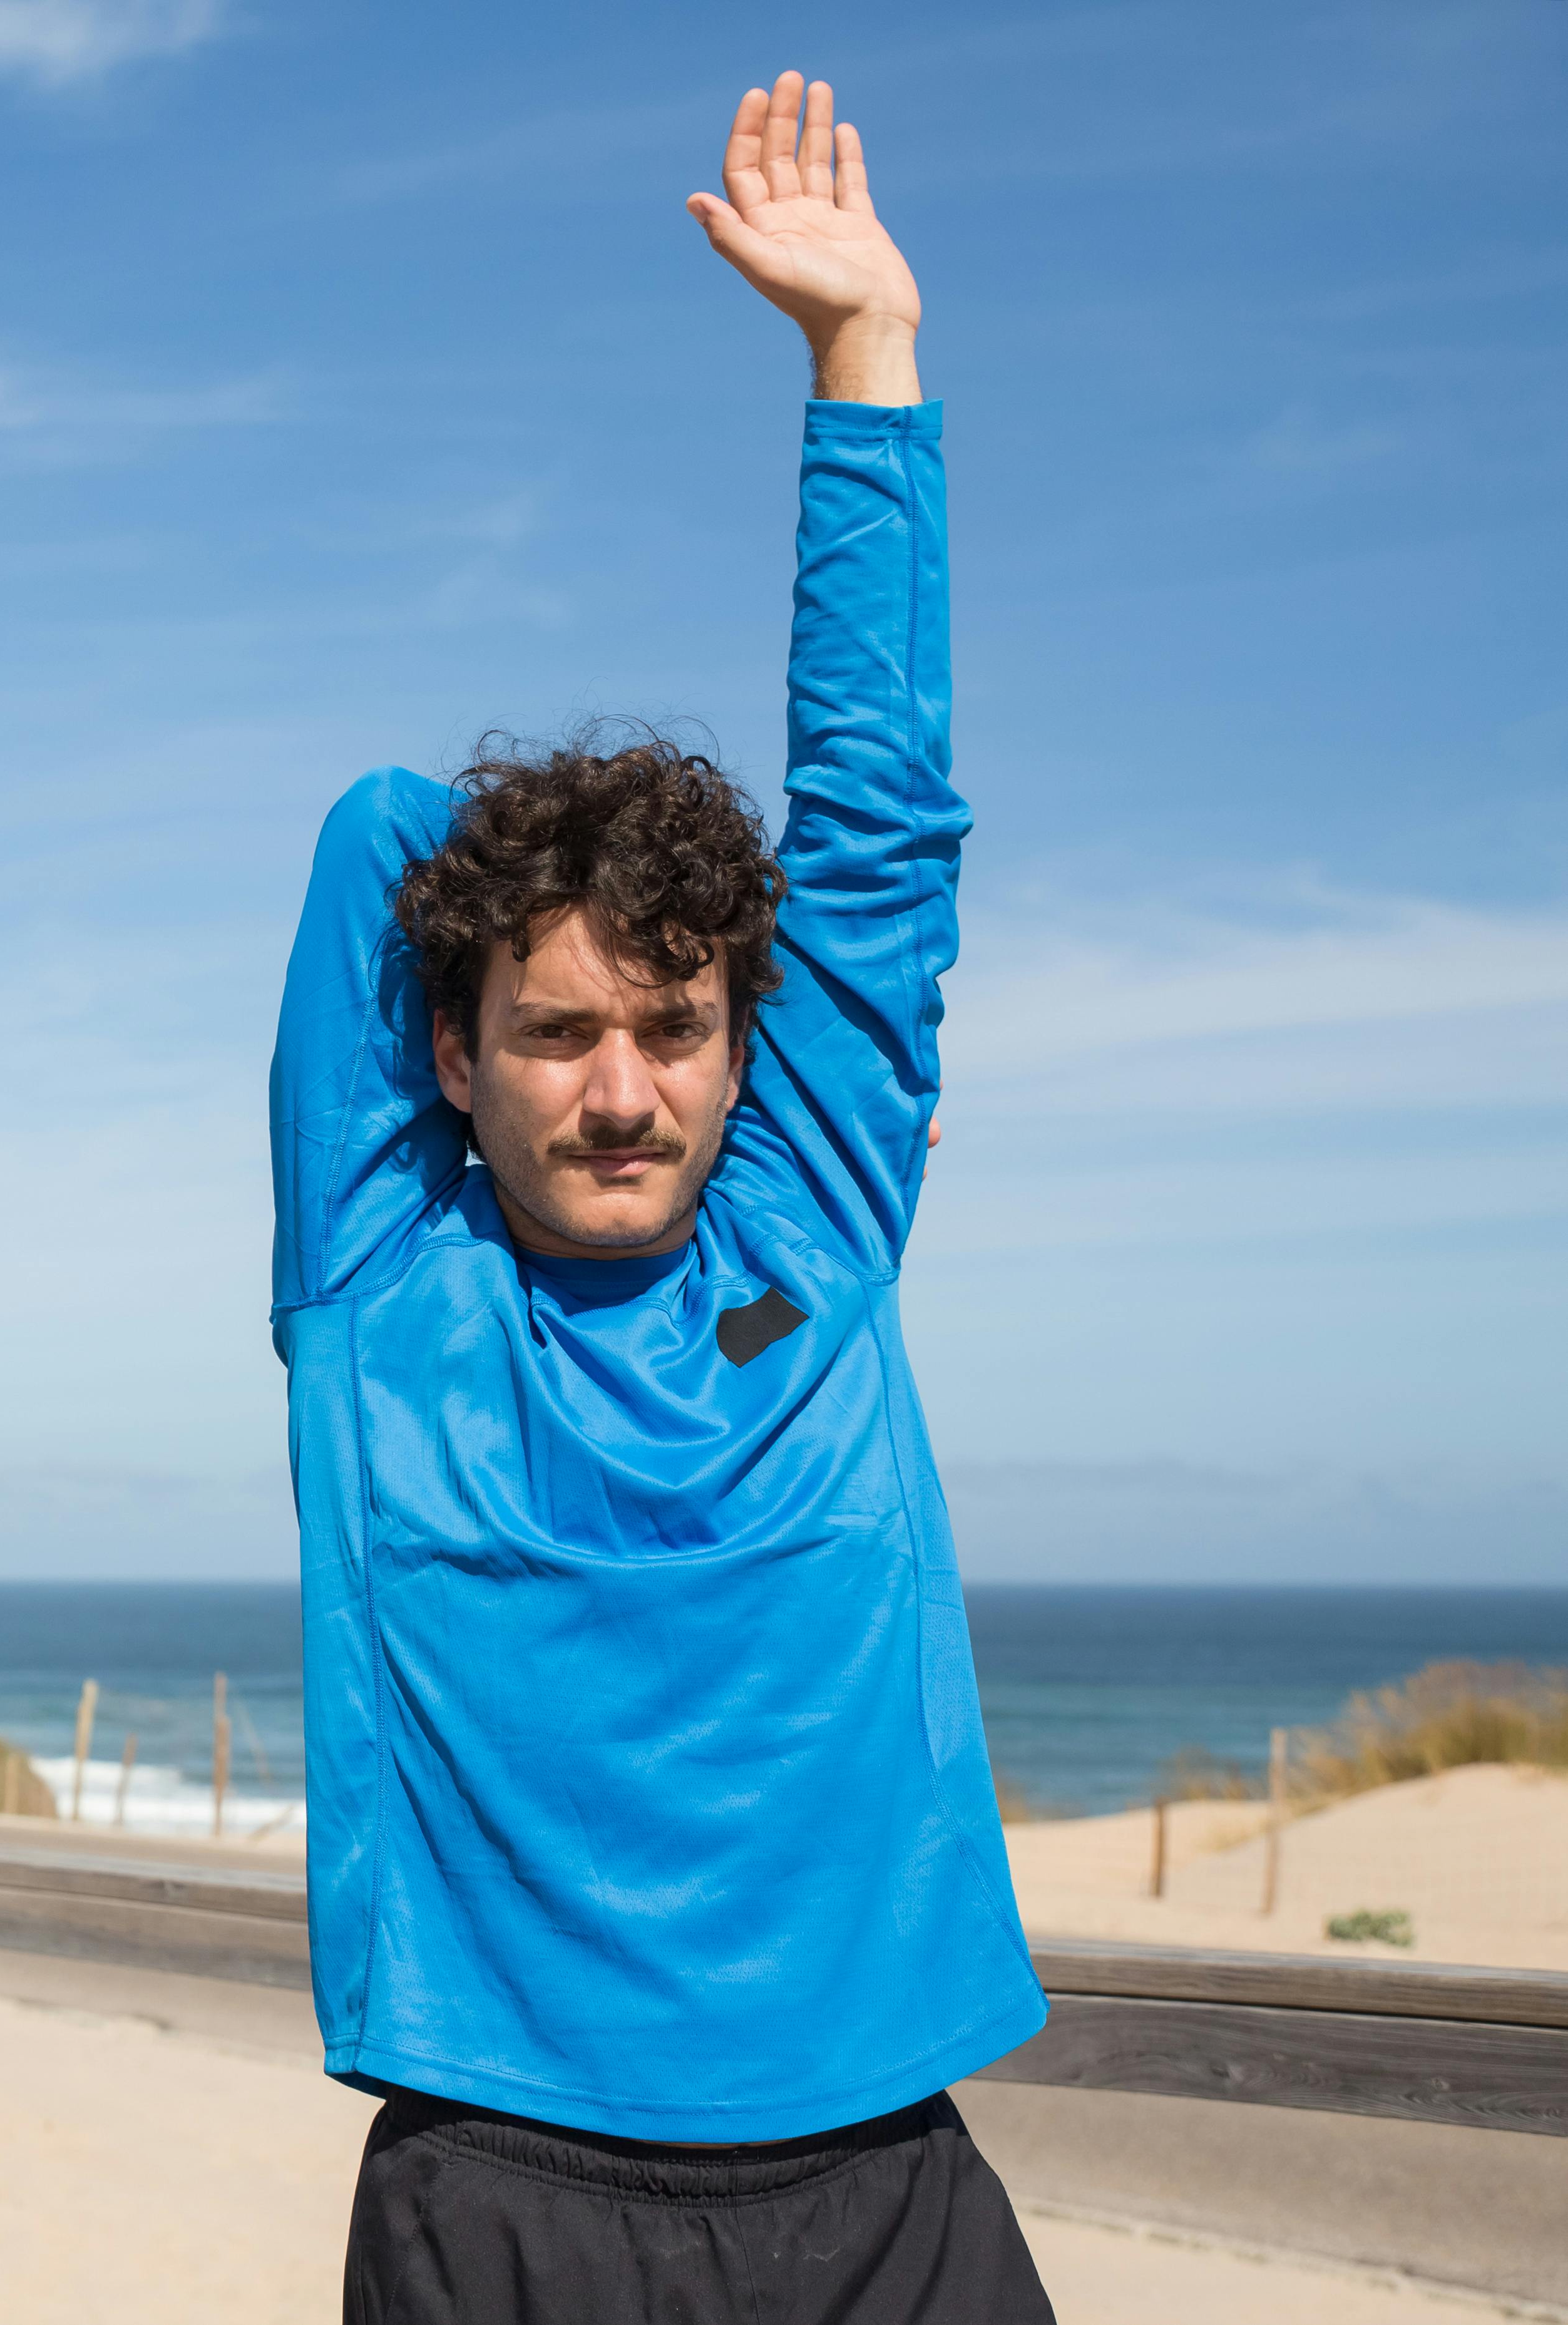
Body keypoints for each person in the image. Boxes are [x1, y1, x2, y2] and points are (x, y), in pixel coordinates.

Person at [270, 75, 1055, 2321]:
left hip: (881, 2174)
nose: (621, 1093)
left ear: (746, 1045)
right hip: (494, 2178)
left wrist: (863, 360)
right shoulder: (378, 1285)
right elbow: (375, 824)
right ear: (448, 1061)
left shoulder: (815, 1209)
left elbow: (880, 821)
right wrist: (559, 859)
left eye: (676, 1026)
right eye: (550, 1032)